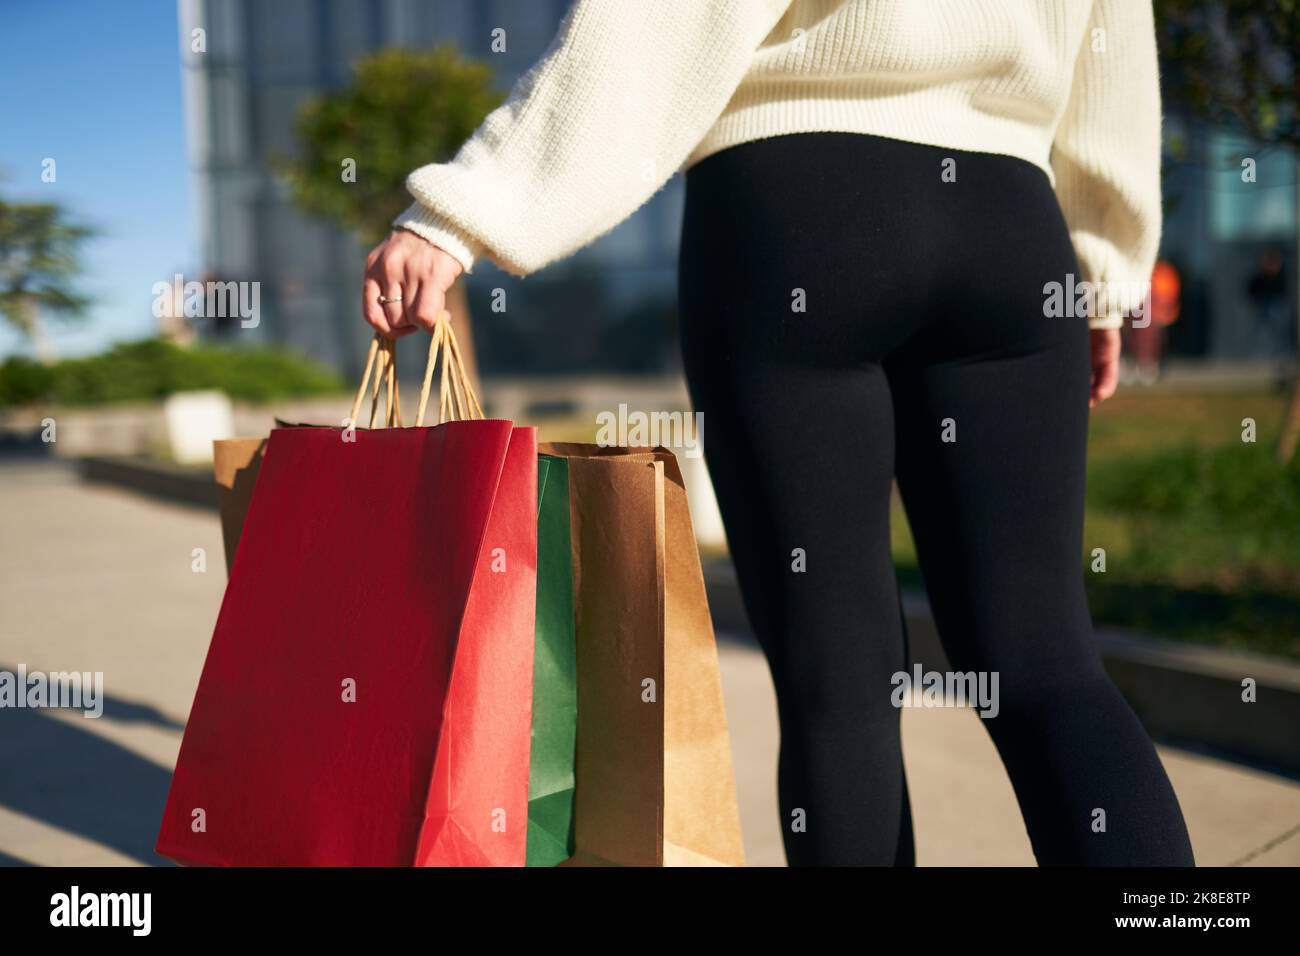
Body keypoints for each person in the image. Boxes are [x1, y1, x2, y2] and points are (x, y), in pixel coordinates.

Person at [361, 0, 1194, 867]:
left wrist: (463, 214)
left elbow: (657, 29)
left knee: (837, 684)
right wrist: (1105, 276)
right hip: (1010, 227)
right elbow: (1113, 56)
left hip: (798, 215)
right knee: (1047, 661)